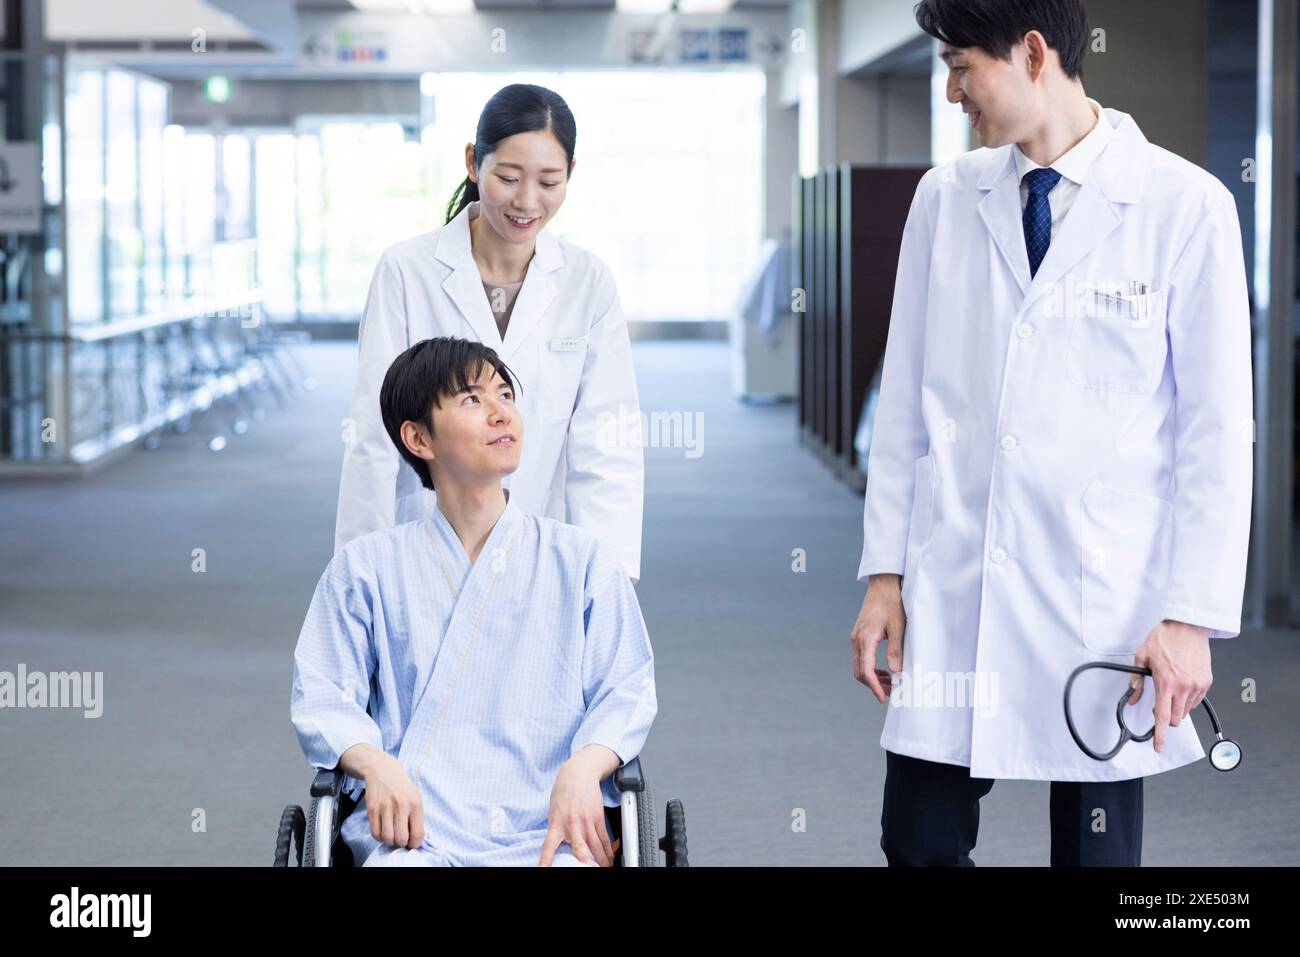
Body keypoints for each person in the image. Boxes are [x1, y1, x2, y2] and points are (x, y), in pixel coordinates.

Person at [849, 0, 1253, 866]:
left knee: (1097, 856)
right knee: (915, 841)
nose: (952, 91)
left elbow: (1217, 437)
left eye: (963, 66)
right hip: (958, 582)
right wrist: (885, 574)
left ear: (1034, 53)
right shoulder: (944, 199)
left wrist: (1191, 618)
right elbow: (905, 407)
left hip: (1103, 594)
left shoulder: (1185, 207)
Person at [293, 337, 656, 867]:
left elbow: (626, 688)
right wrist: (374, 764)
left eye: (506, 395)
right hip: (414, 829)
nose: (500, 412)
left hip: (548, 822)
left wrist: (585, 767)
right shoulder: (365, 569)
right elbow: (321, 692)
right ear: (419, 438)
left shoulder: (581, 561)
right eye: (471, 399)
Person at [335, 82, 644, 583]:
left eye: (549, 182)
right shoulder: (406, 271)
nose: (527, 202)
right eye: (507, 177)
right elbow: (373, 436)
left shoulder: (586, 282)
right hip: (423, 544)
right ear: (473, 164)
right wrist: (356, 572)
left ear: (571, 175)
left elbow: (606, 441)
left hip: (538, 546)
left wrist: (608, 579)